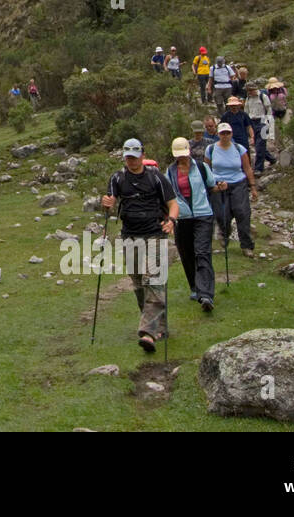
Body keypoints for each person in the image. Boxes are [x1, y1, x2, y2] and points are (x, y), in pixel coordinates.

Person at [101, 138, 178, 353]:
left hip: (154, 234)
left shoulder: (156, 177)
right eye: (128, 157)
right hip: (130, 236)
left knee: (153, 279)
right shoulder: (117, 178)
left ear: (142, 155)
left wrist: (172, 221)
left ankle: (148, 333)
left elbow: (173, 204)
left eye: (135, 156)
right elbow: (110, 202)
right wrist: (106, 204)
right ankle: (159, 326)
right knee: (137, 282)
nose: (132, 160)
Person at [167, 137, 217, 312]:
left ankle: (206, 295)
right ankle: (195, 287)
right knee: (186, 253)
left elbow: (212, 185)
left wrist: (222, 187)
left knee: (202, 252)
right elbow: (167, 195)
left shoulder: (201, 167)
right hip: (182, 218)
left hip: (203, 215)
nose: (181, 157)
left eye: (183, 154)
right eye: (178, 155)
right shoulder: (170, 172)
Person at [209, 122, 258, 258]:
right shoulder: (211, 149)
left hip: (238, 183)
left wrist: (253, 186)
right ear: (218, 134)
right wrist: (209, 186)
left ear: (231, 134)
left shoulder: (239, 148)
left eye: (227, 133)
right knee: (221, 214)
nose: (225, 136)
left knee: (242, 213)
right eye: (222, 133)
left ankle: (246, 245)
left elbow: (247, 168)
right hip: (218, 184)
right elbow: (207, 168)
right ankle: (224, 234)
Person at [243, 77, 276, 172]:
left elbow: (269, 110)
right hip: (252, 123)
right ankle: (271, 159)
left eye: (249, 90)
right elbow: (246, 111)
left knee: (259, 145)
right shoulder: (248, 98)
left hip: (263, 122)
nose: (248, 92)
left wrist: (269, 123)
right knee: (259, 145)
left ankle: (258, 168)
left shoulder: (263, 97)